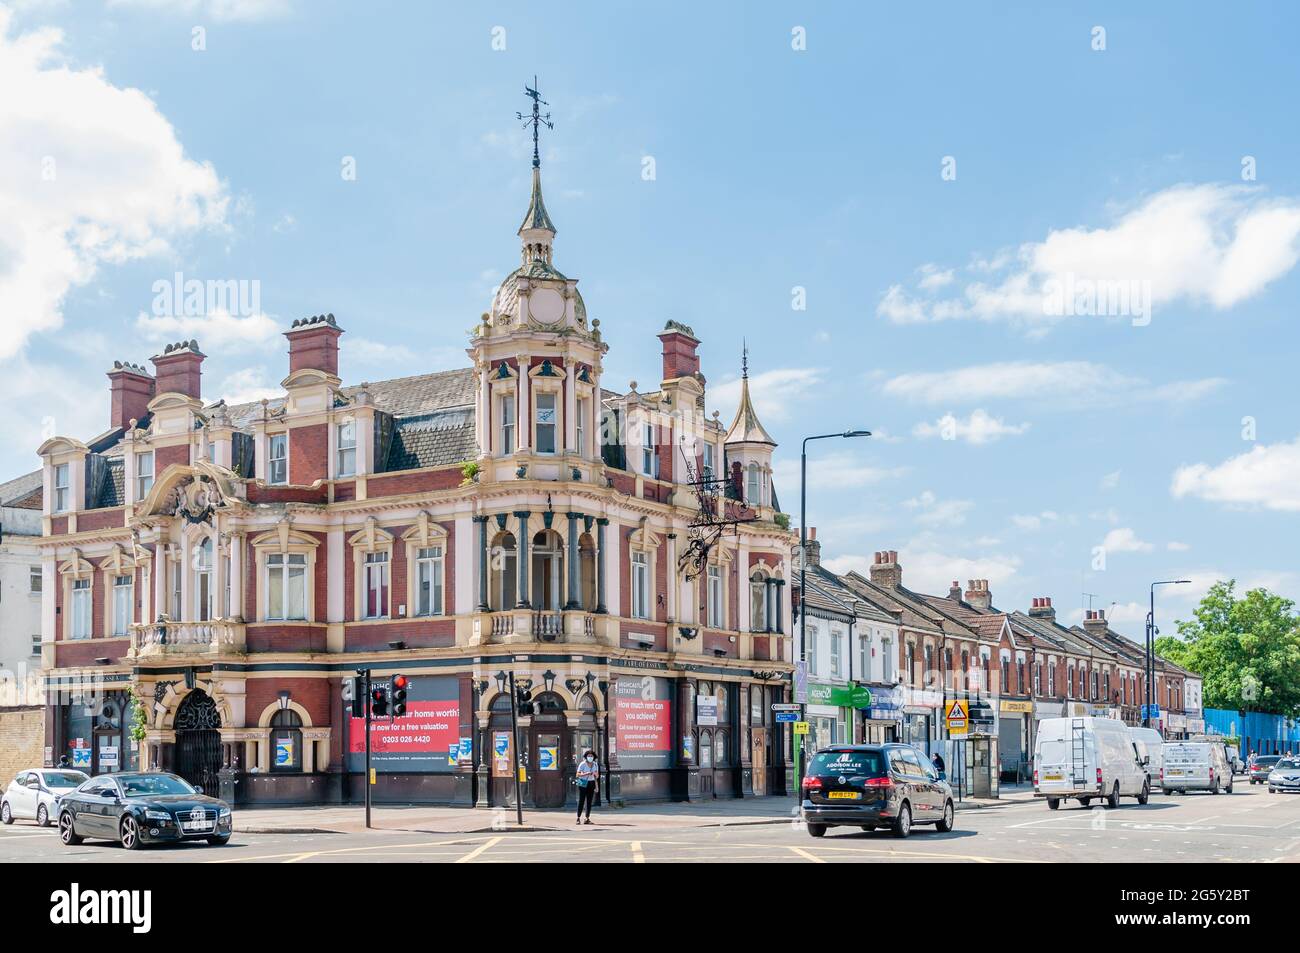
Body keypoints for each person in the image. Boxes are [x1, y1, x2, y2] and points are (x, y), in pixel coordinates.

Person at [576, 750, 600, 825]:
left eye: (591, 756)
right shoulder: (582, 764)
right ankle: (578, 817)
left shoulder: (595, 764)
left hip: (591, 782)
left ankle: (587, 818)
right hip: (583, 782)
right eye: (588, 756)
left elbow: (597, 775)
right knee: (581, 800)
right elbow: (577, 774)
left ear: (594, 757)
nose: (590, 757)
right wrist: (586, 773)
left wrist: (595, 774)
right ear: (586, 757)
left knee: (589, 801)